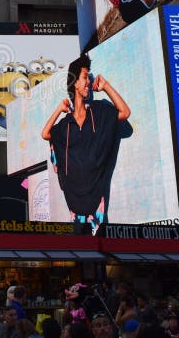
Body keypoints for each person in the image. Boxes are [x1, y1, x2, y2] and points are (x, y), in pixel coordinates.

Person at [42, 54, 131, 233]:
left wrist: (105, 86)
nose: (88, 82)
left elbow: (125, 112)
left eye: (89, 78)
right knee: (81, 251)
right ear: (75, 82)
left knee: (99, 248)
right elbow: (45, 134)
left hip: (96, 197)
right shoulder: (66, 125)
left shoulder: (98, 112)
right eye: (85, 77)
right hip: (74, 202)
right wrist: (59, 109)